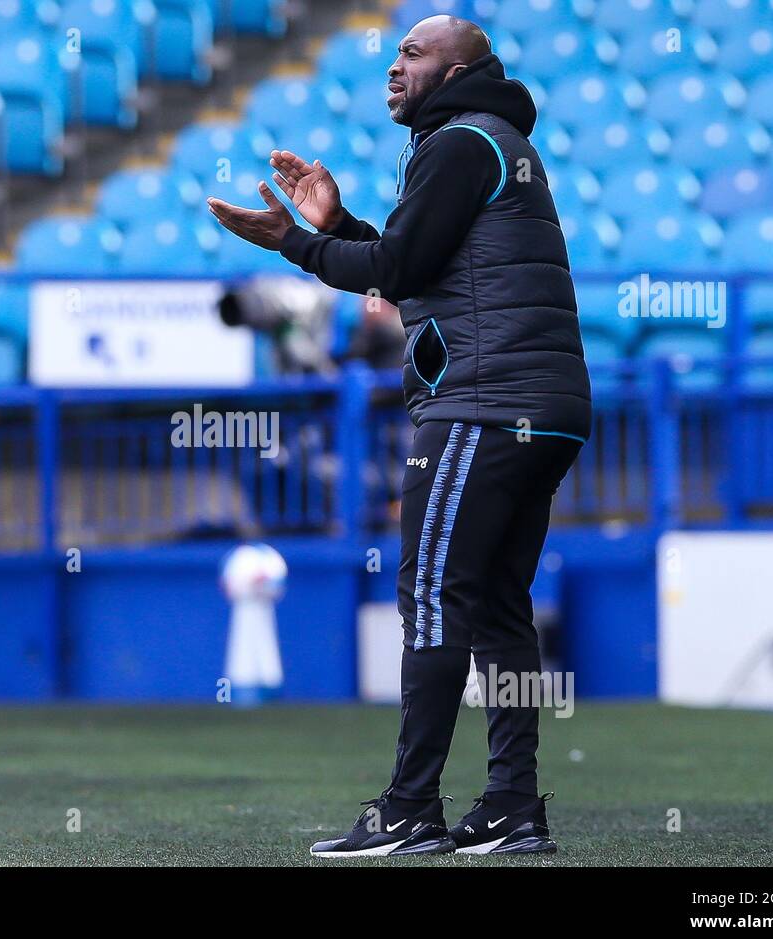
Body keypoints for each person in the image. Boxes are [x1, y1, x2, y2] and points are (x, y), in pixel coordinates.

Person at [207, 14, 592, 857]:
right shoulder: (490, 142)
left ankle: (411, 808)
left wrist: (298, 245)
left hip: (485, 404)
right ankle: (512, 806)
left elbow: (395, 274)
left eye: (413, 53)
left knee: (430, 593)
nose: (394, 67)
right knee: (496, 604)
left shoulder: (458, 143)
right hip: (543, 404)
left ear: (459, 70)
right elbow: (418, 267)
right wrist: (336, 229)